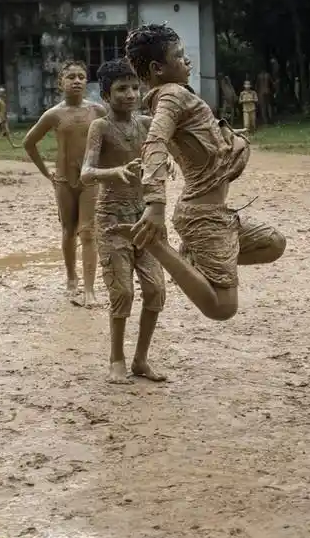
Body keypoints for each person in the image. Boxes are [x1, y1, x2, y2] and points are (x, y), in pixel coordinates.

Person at [113, 23, 286, 321]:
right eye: (179, 56)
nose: (187, 61)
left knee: (273, 244)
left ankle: (192, 259)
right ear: (157, 68)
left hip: (217, 212)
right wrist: (155, 203)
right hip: (202, 216)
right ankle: (158, 246)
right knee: (222, 308)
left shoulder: (175, 95)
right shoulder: (171, 96)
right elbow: (155, 141)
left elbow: (203, 142)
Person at [80, 58, 168, 384]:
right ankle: (116, 359)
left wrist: (165, 163)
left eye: (134, 87)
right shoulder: (100, 128)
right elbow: (86, 172)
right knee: (123, 292)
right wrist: (114, 171)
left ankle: (141, 360)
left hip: (145, 217)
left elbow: (163, 152)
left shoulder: (146, 124)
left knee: (156, 290)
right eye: (121, 89)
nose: (130, 94)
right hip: (112, 218)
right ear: (106, 95)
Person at [23, 60, 107, 307]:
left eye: (81, 76)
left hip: (90, 179)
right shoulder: (54, 114)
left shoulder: (98, 111)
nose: (77, 81)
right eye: (71, 77)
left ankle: (89, 289)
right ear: (60, 83)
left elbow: (115, 137)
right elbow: (29, 142)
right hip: (63, 180)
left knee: (88, 232)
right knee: (69, 230)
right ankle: (71, 277)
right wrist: (46, 172)